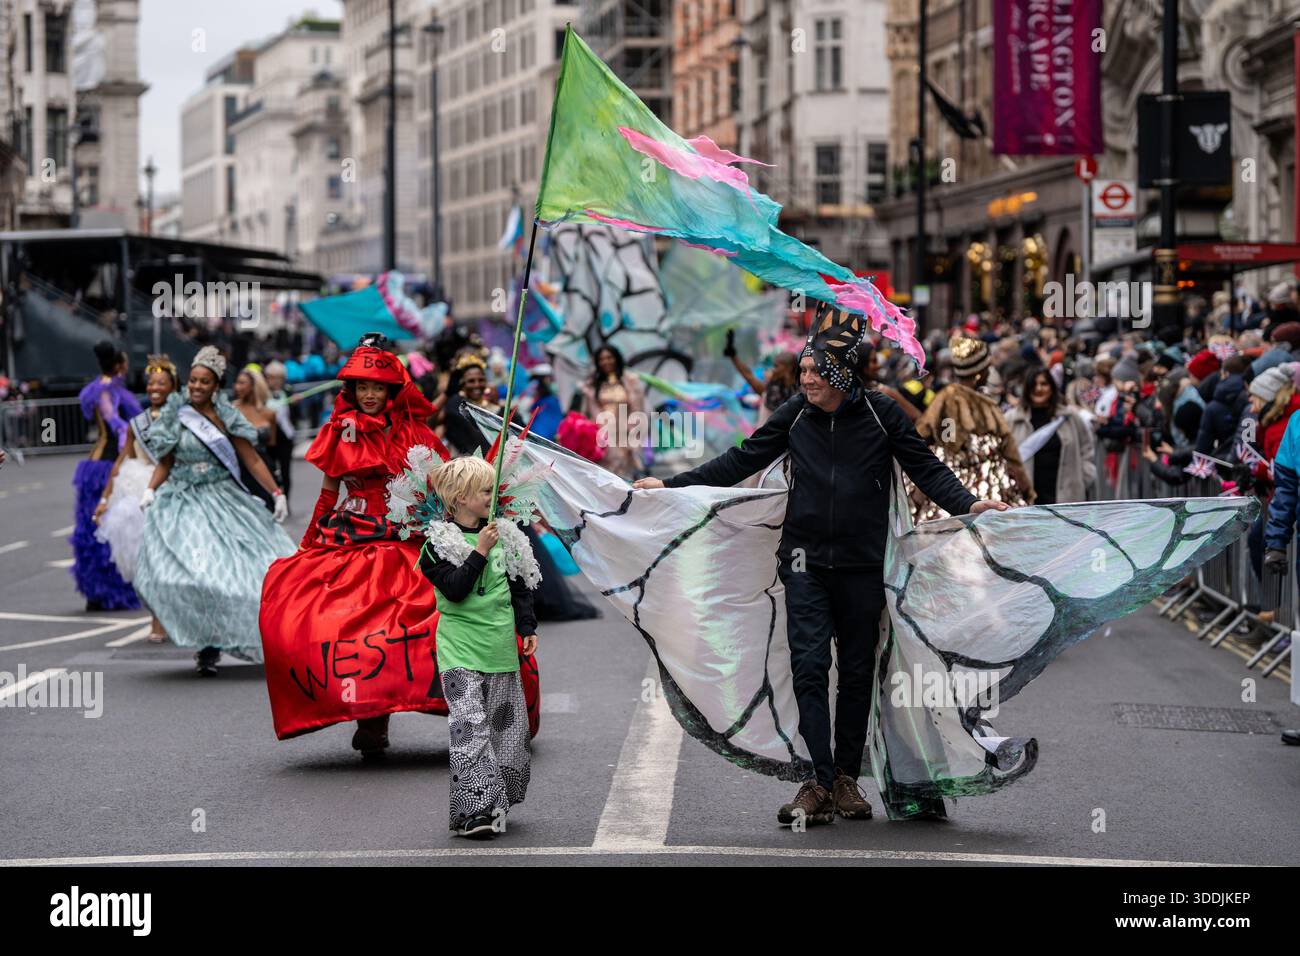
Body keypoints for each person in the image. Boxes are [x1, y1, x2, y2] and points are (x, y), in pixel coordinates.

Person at [634, 308, 1008, 824]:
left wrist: (970, 505)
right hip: (804, 562)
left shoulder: (883, 413)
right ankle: (818, 780)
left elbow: (926, 467)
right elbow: (742, 459)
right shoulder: (796, 413)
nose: (804, 378)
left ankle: (848, 779)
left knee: (855, 674)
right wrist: (672, 486)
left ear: (841, 372)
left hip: (861, 566)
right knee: (809, 667)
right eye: (804, 370)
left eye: (814, 370)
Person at [259, 335, 462, 755]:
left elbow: (443, 485)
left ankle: (465, 708)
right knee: (351, 628)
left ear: (391, 389)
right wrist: (309, 543)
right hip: (354, 536)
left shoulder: (415, 432)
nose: (369, 395)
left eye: (377, 387)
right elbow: (328, 493)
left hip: (408, 536)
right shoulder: (340, 431)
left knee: (429, 625)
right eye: (362, 387)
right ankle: (372, 721)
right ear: (351, 391)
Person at [134, 347, 295, 675]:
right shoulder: (175, 414)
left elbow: (250, 458)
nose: (195, 387)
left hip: (223, 499)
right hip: (183, 502)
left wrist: (276, 493)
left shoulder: (226, 416)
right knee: (189, 574)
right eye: (192, 380)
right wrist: (151, 489)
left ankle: (219, 645)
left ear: (215, 385)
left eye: (203, 382)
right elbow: (165, 461)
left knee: (240, 575)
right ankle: (205, 643)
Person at [418, 456, 538, 838]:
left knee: (508, 735)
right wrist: (480, 550)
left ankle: (495, 798)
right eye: (485, 491)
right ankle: (476, 811)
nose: (492, 496)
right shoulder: (436, 543)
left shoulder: (507, 533)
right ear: (459, 497)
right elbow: (454, 590)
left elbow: (519, 585)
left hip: (500, 649)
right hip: (460, 651)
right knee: (470, 730)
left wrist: (527, 625)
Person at [93, 354, 178, 642]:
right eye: (151, 382)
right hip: (140, 494)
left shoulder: (183, 417)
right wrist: (104, 499)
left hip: (174, 491)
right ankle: (157, 619)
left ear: (173, 387)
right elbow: (121, 461)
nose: (154, 387)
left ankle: (177, 618)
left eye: (161, 383)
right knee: (148, 563)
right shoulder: (137, 423)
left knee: (175, 562)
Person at [911, 336, 1033, 522]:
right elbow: (1010, 454)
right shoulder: (986, 407)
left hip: (945, 492)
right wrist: (1026, 489)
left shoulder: (942, 399)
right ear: (979, 373)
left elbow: (926, 437)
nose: (989, 371)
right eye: (986, 367)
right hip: (986, 490)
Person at [72, 341, 142, 611]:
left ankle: (96, 590)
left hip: (93, 464)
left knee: (92, 527)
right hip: (113, 467)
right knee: (115, 528)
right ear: (120, 366)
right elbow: (121, 426)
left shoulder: (93, 390)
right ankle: (112, 590)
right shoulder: (114, 393)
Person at [1006, 367, 1096, 505]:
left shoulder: (1070, 418)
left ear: (1052, 387)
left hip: (1067, 498)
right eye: (1034, 384)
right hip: (1026, 500)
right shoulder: (1011, 420)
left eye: (1044, 384)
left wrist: (1084, 478)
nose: (1039, 388)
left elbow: (1087, 449)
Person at [581, 345, 648, 480]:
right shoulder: (592, 385)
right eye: (602, 359)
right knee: (605, 476)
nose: (606, 361)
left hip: (624, 435)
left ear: (616, 359)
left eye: (609, 357)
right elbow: (586, 413)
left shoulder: (631, 381)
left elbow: (638, 410)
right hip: (602, 436)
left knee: (623, 475)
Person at [231, 365, 280, 512]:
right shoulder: (230, 410)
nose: (237, 387)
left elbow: (272, 444)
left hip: (264, 466)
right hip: (240, 469)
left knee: (268, 511)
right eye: (237, 382)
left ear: (254, 386)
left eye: (242, 383)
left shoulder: (269, 413)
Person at [724, 336, 799, 426]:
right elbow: (748, 375)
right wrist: (734, 357)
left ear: (789, 368)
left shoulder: (800, 394)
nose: (773, 369)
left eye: (776, 366)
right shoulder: (770, 390)